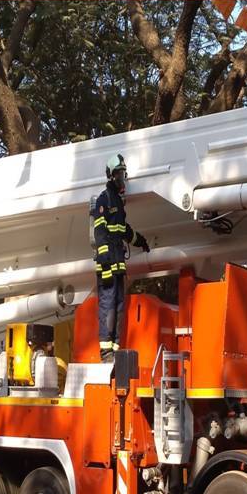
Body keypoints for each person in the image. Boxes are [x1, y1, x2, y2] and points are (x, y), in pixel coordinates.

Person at [92, 154, 150, 363]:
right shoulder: (104, 200)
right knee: (107, 306)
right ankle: (106, 352)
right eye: (119, 174)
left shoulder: (117, 201)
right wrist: (105, 261)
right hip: (108, 266)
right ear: (111, 175)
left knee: (118, 307)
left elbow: (122, 230)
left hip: (118, 265)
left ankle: (115, 350)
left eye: (123, 174)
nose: (122, 178)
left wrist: (139, 240)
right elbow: (100, 233)